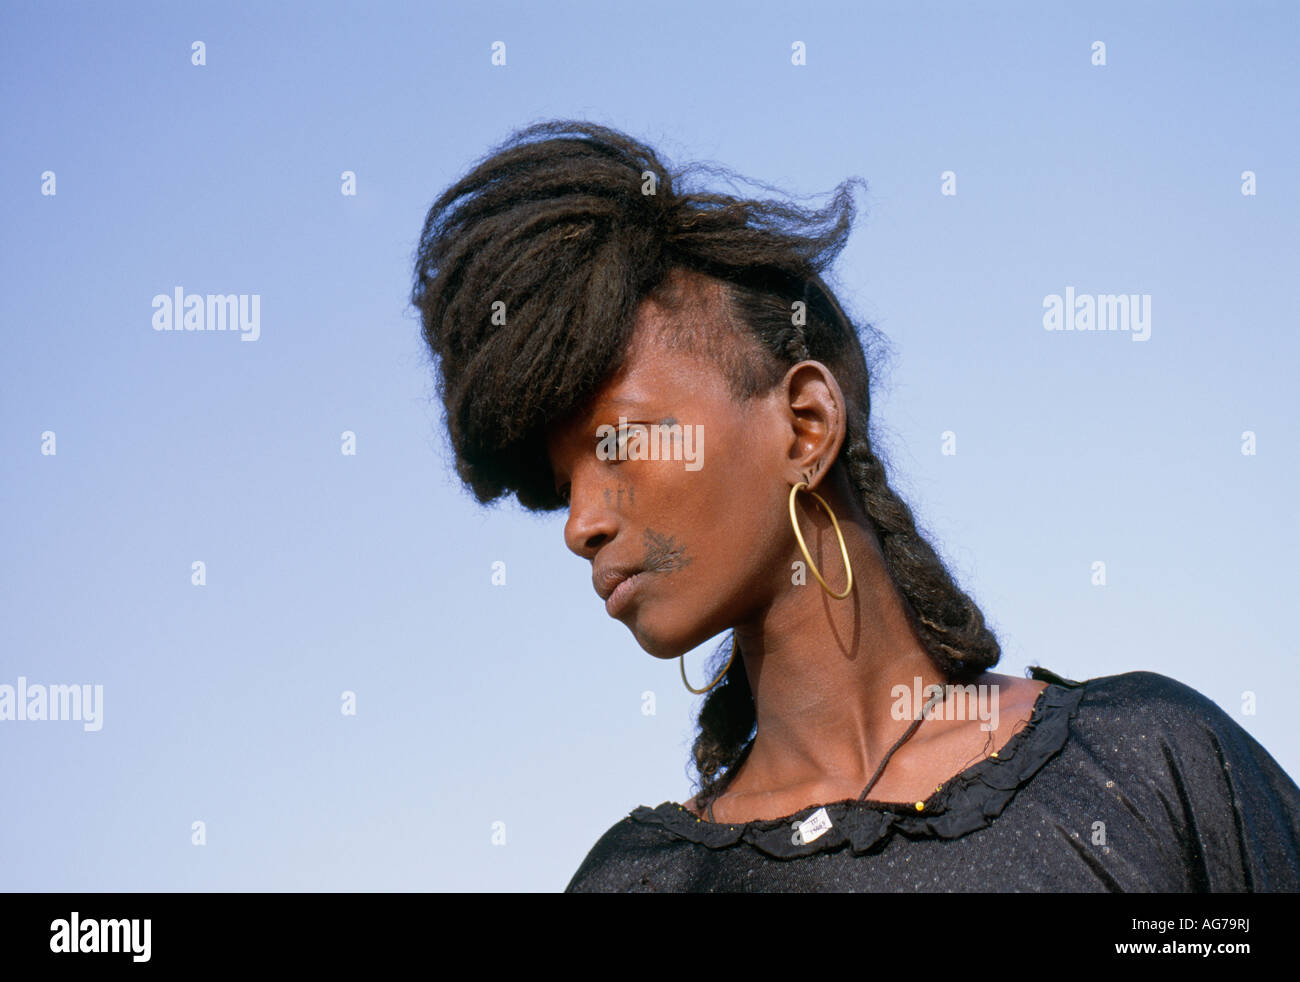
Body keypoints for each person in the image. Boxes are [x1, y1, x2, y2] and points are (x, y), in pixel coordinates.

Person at [409, 119, 1300, 892]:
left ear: (804, 424)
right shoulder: (645, 880)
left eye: (619, 446)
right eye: (566, 486)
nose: (581, 524)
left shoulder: (1145, 764)